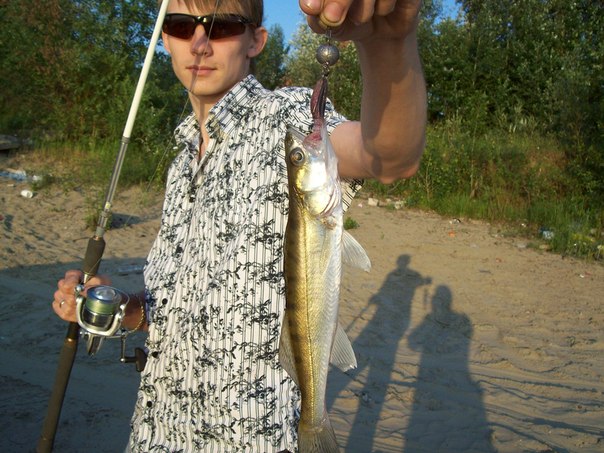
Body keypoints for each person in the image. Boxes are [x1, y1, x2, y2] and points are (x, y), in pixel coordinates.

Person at [51, 0, 426, 451]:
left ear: (256, 41)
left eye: (223, 26)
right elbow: (171, 311)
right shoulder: (181, 161)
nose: (200, 43)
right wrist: (120, 308)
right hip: (157, 434)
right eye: (181, 25)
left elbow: (388, 156)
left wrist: (390, 42)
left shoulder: (286, 117)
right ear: (165, 38)